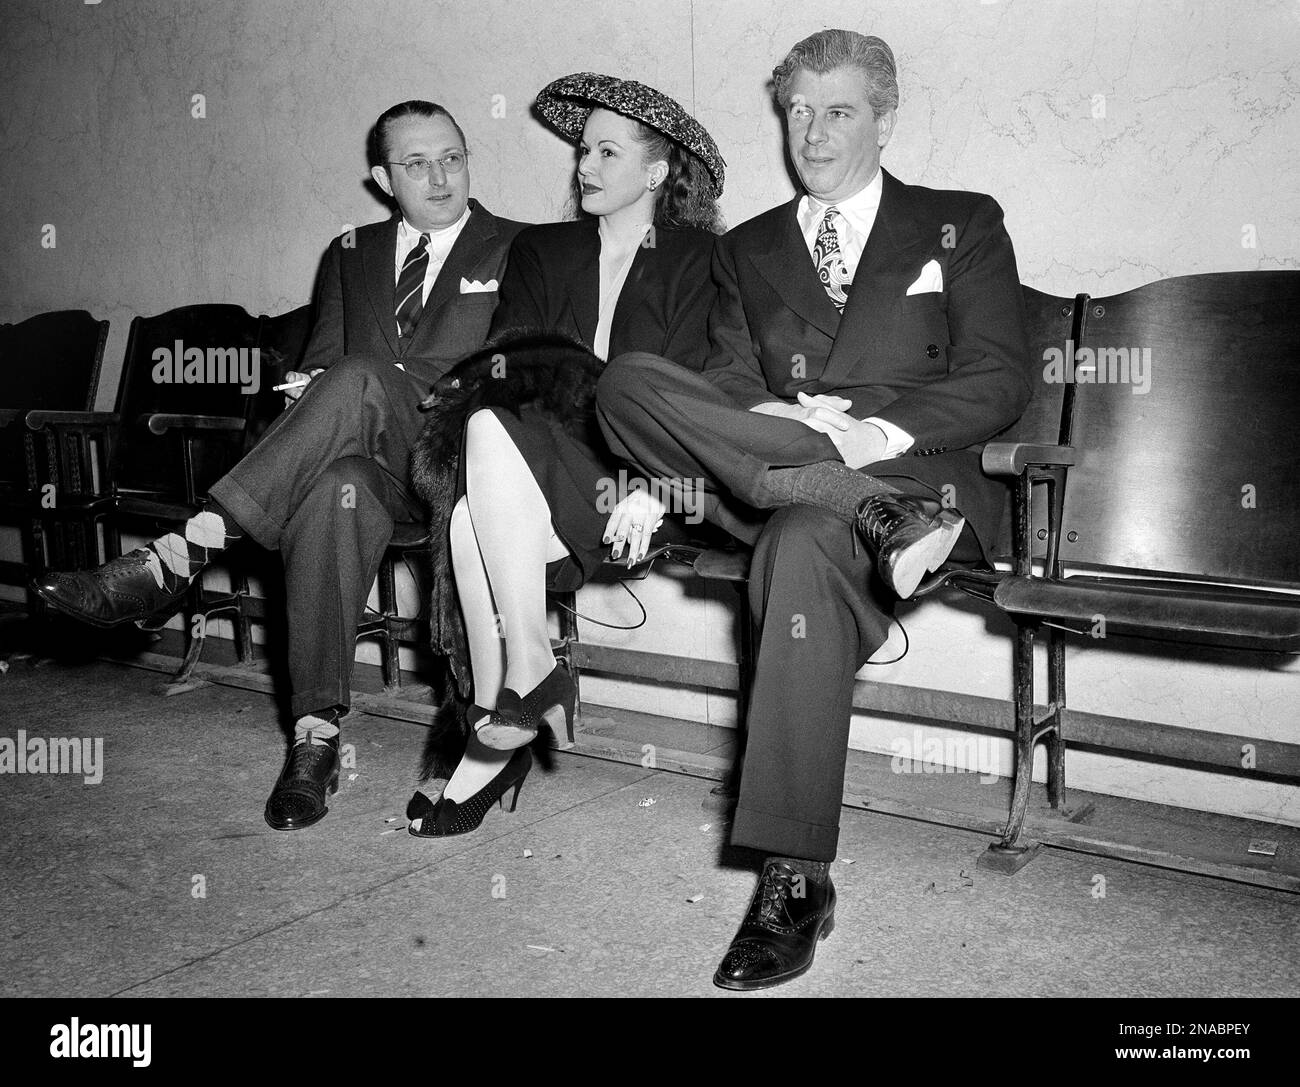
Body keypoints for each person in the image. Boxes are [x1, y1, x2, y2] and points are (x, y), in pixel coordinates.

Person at [596, 30, 1034, 989]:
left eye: (837, 110)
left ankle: (792, 876)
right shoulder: (747, 247)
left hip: (918, 477)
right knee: (624, 383)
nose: (813, 130)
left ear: (884, 117)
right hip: (792, 476)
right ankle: (853, 505)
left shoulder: (961, 221)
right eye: (797, 109)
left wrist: (871, 436)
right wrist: (783, 417)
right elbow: (721, 382)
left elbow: (1000, 378)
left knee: (796, 541)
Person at [32, 100, 525, 832]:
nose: (440, 175)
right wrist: (309, 387)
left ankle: (182, 553)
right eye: (416, 163)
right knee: (334, 488)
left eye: (452, 156)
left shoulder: (518, 247)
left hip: (461, 465)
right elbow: (325, 362)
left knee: (359, 378)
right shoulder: (351, 252)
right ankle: (315, 736)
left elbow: (517, 373)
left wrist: (355, 380)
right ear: (383, 178)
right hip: (373, 468)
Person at [404, 72, 725, 837]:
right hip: (540, 461)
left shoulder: (703, 261)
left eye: (607, 152)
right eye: (584, 150)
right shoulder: (544, 250)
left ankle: (499, 720)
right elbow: (507, 367)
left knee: (465, 523)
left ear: (656, 171)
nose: (585, 165)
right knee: (482, 438)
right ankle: (526, 676)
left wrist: (658, 487)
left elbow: (706, 393)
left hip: (652, 478)